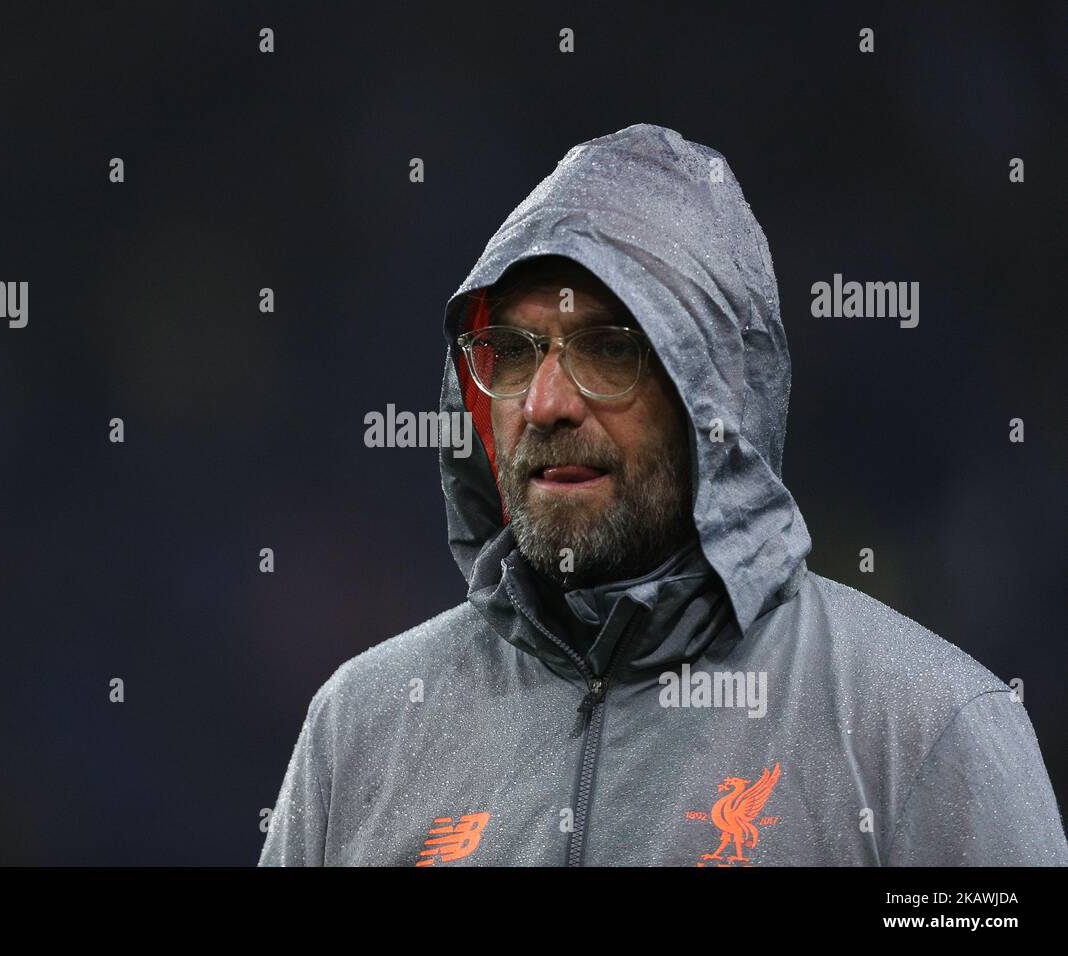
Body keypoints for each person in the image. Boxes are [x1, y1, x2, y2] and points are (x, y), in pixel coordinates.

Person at [258, 123, 1068, 866]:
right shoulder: (360, 731)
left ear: (722, 394)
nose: (544, 403)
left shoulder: (925, 732)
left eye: (611, 348)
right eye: (510, 349)